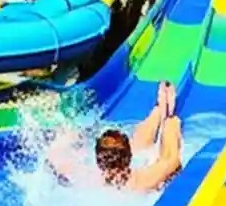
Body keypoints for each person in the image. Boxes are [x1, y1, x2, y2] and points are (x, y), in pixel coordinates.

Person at [49, 81, 183, 192]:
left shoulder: (87, 180)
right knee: (146, 146)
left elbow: (54, 157)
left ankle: (159, 111)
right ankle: (163, 113)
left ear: (98, 162)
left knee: (139, 145)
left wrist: (72, 134)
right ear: (129, 158)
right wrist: (172, 126)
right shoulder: (142, 181)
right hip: (136, 176)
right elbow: (172, 160)